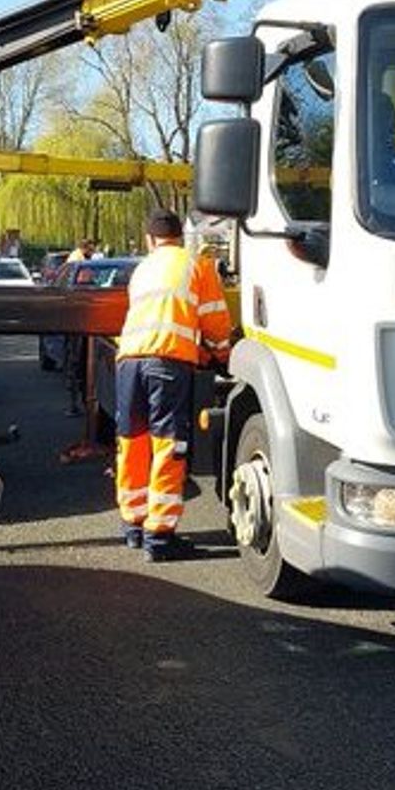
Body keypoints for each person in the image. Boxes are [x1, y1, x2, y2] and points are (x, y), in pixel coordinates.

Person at [115, 209, 233, 561]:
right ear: (180, 238)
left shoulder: (141, 270)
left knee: (131, 442)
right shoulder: (197, 265)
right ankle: (160, 537)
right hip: (167, 363)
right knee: (168, 446)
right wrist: (221, 353)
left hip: (128, 361)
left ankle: (134, 525)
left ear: (151, 239)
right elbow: (214, 321)